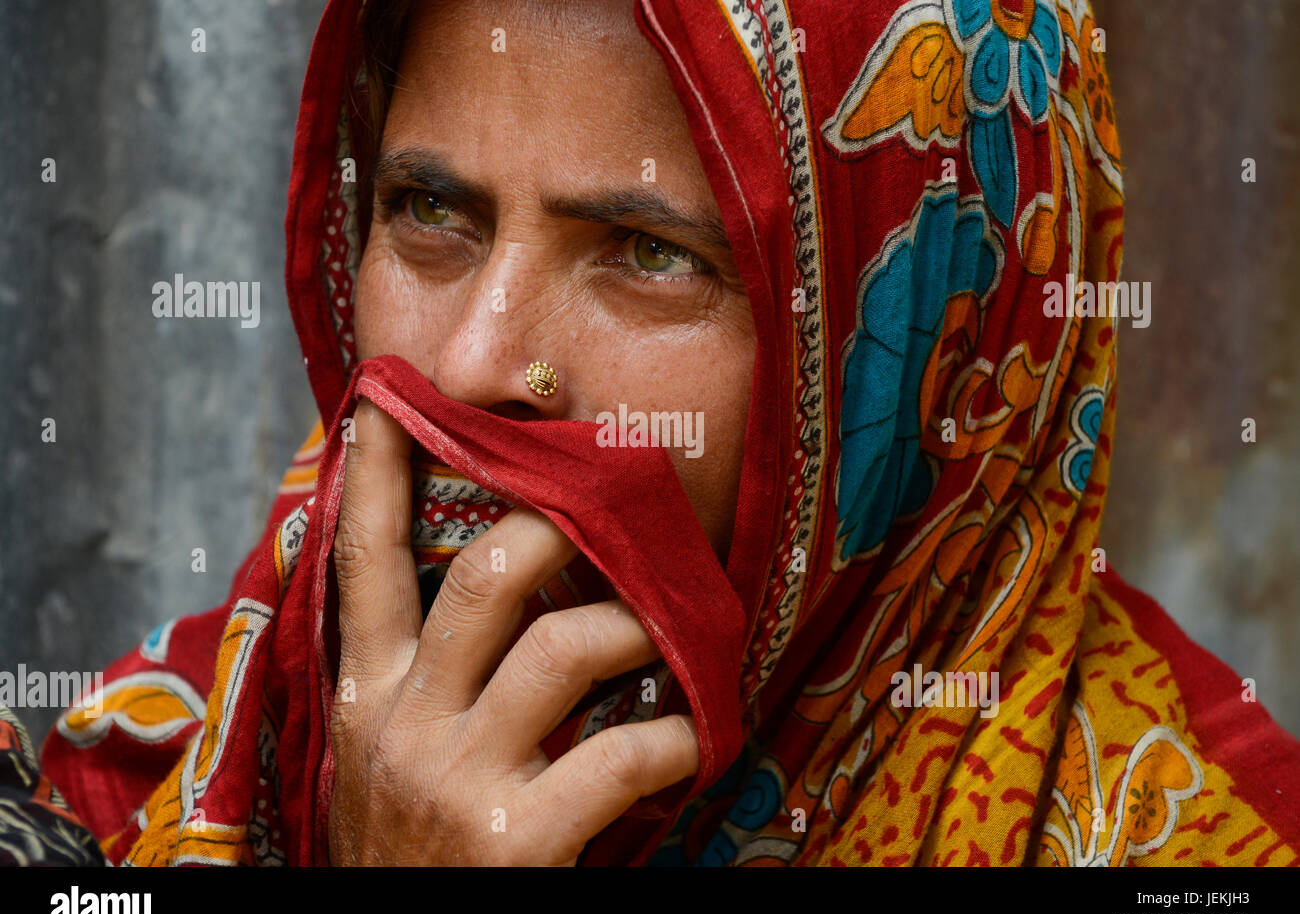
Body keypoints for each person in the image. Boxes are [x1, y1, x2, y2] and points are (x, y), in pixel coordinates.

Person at [31, 0, 1300, 866]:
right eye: (429, 208)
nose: (474, 362)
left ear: (930, 347)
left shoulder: (1194, 848)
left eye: (649, 253)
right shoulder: (160, 760)